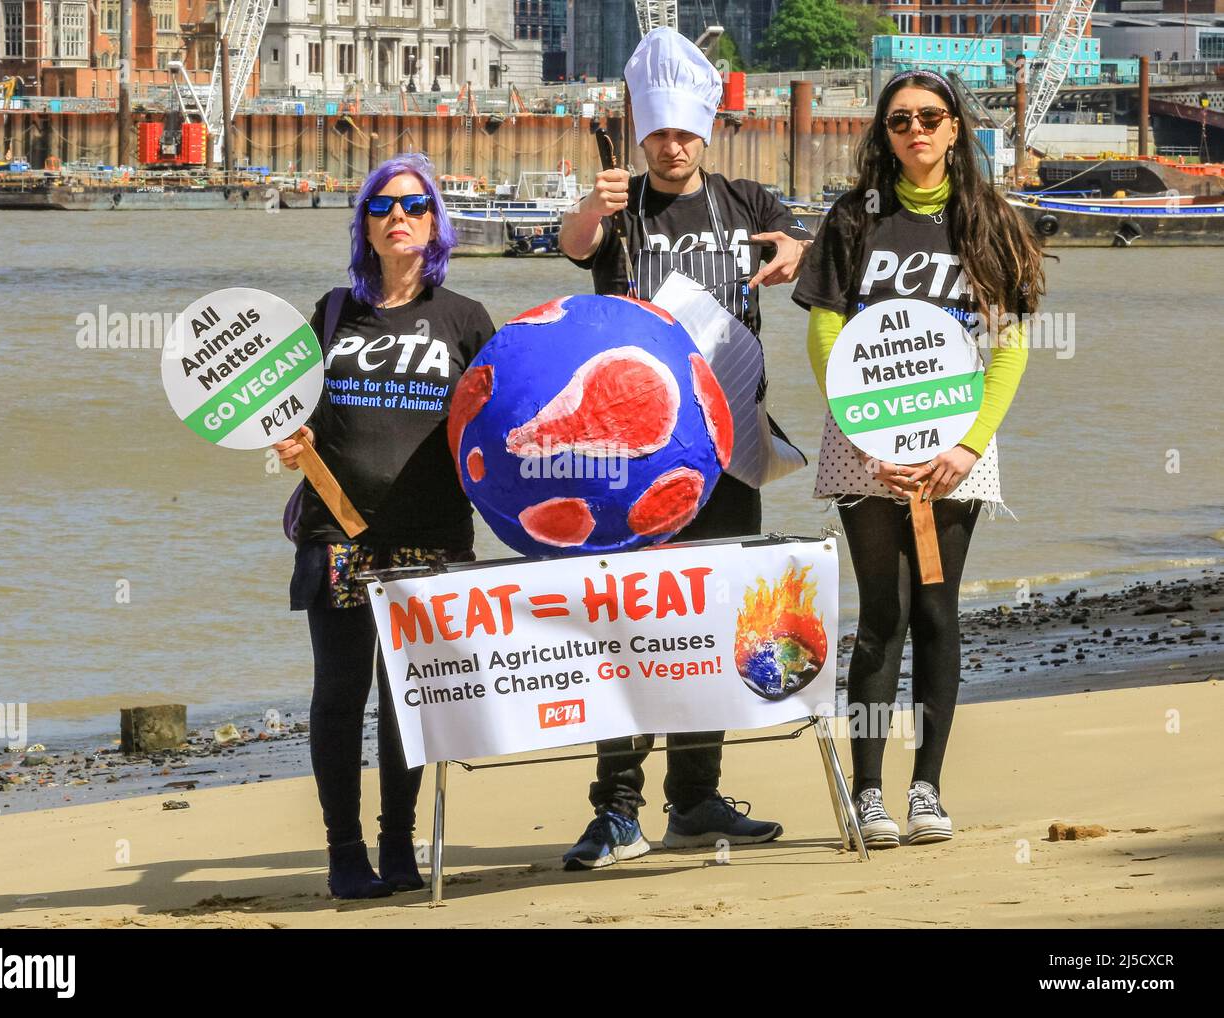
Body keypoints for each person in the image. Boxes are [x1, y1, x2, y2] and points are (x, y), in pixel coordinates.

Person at [555, 27, 813, 870]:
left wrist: (795, 251)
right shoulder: (623, 205)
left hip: (729, 440)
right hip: (630, 453)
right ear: (643, 136)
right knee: (629, 622)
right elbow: (573, 246)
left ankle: (694, 800)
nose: (671, 146)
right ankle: (617, 808)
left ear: (706, 133)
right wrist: (595, 203)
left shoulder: (747, 203)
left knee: (713, 617)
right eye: (659, 134)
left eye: (684, 133)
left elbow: (802, 252)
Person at [792, 69, 1044, 849]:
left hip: (957, 447)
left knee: (937, 612)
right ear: (884, 134)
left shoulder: (987, 220)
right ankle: (870, 794)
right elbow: (826, 331)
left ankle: (927, 787)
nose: (917, 132)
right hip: (864, 441)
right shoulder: (853, 218)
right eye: (900, 121)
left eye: (931, 118)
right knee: (882, 614)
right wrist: (864, 431)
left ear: (957, 128)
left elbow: (1008, 345)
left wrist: (970, 445)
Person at [275, 154, 495, 897]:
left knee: (409, 692)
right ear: (364, 225)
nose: (397, 216)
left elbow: (496, 426)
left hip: (431, 532)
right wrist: (286, 443)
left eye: (413, 205)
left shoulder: (465, 319)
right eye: (381, 206)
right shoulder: (333, 312)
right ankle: (343, 853)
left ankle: (399, 847)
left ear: (435, 223)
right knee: (339, 694)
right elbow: (288, 414)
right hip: (338, 533)